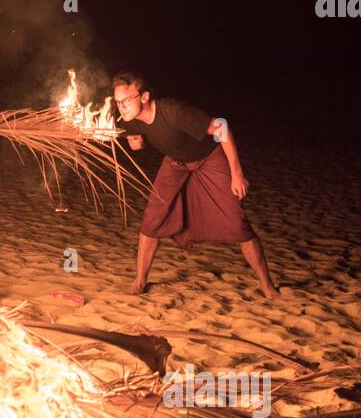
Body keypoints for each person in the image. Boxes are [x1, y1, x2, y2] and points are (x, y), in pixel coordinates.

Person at [112, 71, 280, 300]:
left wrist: (236, 174)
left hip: (209, 158)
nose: (122, 107)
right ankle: (140, 282)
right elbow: (137, 139)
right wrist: (137, 144)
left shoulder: (175, 112)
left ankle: (267, 286)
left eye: (126, 101)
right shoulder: (129, 119)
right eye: (118, 102)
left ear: (144, 97)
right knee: (153, 218)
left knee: (236, 222)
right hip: (176, 162)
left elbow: (222, 127)